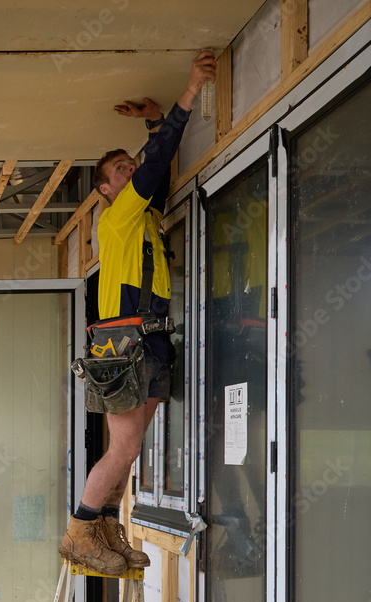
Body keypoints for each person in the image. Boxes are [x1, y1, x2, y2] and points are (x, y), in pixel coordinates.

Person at [59, 51, 217, 575]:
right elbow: (156, 165)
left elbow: (159, 175)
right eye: (121, 170)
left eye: (131, 165)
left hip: (147, 341)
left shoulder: (141, 214)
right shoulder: (119, 216)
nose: (134, 171)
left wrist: (153, 121)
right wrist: (189, 92)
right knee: (124, 447)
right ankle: (81, 531)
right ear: (107, 190)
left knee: (130, 447)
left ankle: (104, 526)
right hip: (123, 345)